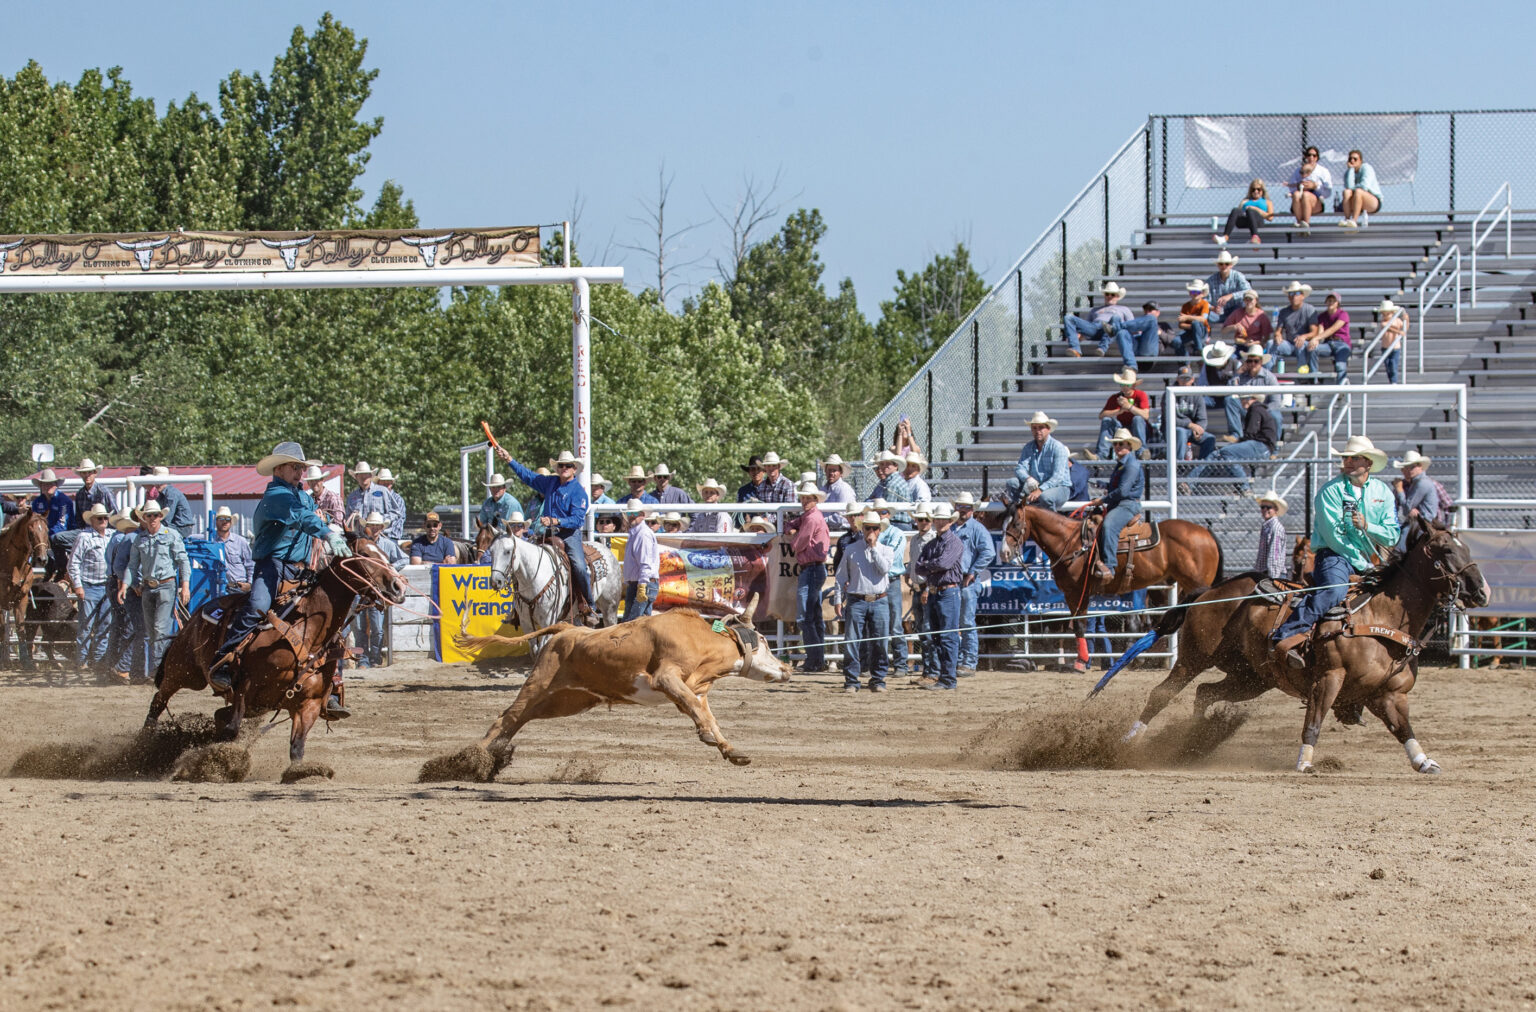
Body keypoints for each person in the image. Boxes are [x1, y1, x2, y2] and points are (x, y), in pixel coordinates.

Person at [209, 442, 351, 703]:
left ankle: (329, 680)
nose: (300, 472)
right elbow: (302, 518)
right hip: (271, 566)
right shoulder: (276, 496)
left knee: (325, 613)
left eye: (301, 468)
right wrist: (327, 532)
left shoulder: (303, 497)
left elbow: (312, 516)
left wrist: (332, 525)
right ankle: (224, 661)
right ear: (279, 468)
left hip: (299, 569)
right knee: (258, 606)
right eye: (295, 467)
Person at [1272, 435, 1400, 668]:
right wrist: (1364, 565)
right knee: (1333, 591)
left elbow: (1392, 534)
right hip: (1334, 556)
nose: (1348, 462)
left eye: (1354, 458)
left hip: (1370, 558)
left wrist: (1369, 526)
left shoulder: (1383, 492)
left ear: (1368, 463)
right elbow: (1334, 537)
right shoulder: (1330, 491)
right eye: (1345, 458)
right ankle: (1287, 635)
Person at [494, 446, 594, 619]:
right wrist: (509, 459)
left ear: (574, 469)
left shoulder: (578, 492)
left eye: (568, 466)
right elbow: (528, 476)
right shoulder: (551, 482)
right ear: (557, 468)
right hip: (547, 533)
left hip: (568, 535)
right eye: (561, 465)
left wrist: (556, 521)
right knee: (522, 560)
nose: (564, 468)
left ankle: (587, 604)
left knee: (579, 567)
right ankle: (518, 606)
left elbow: (577, 520)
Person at [120, 500, 192, 680]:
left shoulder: (171, 535)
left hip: (166, 585)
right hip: (148, 587)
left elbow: (183, 561)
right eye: (149, 515)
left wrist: (185, 586)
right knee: (152, 632)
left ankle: (159, 670)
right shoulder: (140, 539)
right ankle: (158, 669)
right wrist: (125, 585)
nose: (152, 518)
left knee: (160, 629)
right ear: (144, 518)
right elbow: (132, 565)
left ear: (161, 516)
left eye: (156, 515)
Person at [836, 509, 895, 693]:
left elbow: (884, 569)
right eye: (868, 528)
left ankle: (878, 679)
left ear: (880, 530)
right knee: (852, 641)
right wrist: (839, 599)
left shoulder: (887, 550)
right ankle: (852, 681)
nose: (871, 531)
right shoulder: (851, 550)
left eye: (874, 528)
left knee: (880, 642)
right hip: (857, 599)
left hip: (880, 599)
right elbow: (840, 577)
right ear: (862, 529)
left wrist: (874, 548)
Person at [914, 502, 963, 690]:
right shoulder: (933, 543)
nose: (940, 522)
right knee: (937, 637)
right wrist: (931, 565)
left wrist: (928, 565)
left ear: (950, 522)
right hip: (936, 592)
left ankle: (948, 678)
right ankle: (945, 676)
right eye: (938, 519)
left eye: (943, 519)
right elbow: (919, 566)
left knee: (947, 637)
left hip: (947, 592)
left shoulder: (954, 542)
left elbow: (943, 563)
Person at [1085, 429, 1144, 583]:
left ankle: (1110, 566)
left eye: (1121, 444)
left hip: (1128, 505)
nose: (1117, 447)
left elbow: (1123, 491)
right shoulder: (1123, 464)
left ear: (1129, 446)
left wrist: (1102, 500)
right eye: (1116, 444)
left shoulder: (1130, 465)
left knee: (1109, 526)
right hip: (1122, 503)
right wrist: (1103, 484)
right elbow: (1119, 487)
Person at [1188, 393, 1277, 493]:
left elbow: (1251, 433)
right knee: (1216, 454)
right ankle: (1189, 484)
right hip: (1260, 445)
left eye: (1244, 398)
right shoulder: (1258, 410)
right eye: (1242, 399)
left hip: (1261, 445)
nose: (1242, 401)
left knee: (1225, 452)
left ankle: (1244, 486)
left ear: (1252, 399)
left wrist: (1236, 441)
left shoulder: (1256, 409)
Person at [785, 481, 830, 673]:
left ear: (815, 500)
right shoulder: (810, 517)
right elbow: (794, 526)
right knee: (814, 616)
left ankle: (814, 660)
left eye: (807, 498)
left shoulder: (811, 519)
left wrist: (793, 535)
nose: (804, 501)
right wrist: (793, 528)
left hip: (810, 569)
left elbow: (799, 543)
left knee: (806, 617)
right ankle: (818, 659)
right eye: (803, 498)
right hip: (813, 568)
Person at [353, 510, 407, 667]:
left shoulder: (388, 544)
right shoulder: (360, 544)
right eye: (372, 526)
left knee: (377, 626)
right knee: (359, 626)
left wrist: (389, 569)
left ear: (382, 528)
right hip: (361, 589)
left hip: (378, 591)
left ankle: (375, 658)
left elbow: (404, 558)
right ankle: (363, 659)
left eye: (377, 526)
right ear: (366, 527)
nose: (375, 529)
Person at [67, 503, 115, 677]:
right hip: (89, 586)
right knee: (86, 625)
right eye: (100, 518)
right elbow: (73, 563)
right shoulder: (84, 537)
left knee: (105, 625)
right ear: (92, 520)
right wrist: (78, 585)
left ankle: (99, 660)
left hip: (107, 585)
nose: (103, 521)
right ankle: (82, 661)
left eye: (105, 518)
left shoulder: (112, 535)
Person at [951, 492, 995, 677]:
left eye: (967, 507)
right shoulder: (950, 527)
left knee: (966, 621)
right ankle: (957, 660)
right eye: (960, 506)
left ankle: (968, 662)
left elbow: (989, 552)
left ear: (972, 510)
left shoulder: (977, 529)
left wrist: (973, 572)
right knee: (954, 622)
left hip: (966, 581)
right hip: (951, 581)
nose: (963, 510)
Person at [104, 510, 143, 684]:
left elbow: (113, 564)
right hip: (124, 584)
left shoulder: (116, 538)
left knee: (119, 626)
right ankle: (122, 666)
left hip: (117, 583)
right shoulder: (128, 539)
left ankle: (114, 664)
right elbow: (120, 567)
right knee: (129, 627)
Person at [872, 498, 909, 680]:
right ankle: (881, 664)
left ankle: (900, 664)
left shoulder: (896, 533)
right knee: (879, 625)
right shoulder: (873, 533)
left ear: (889, 515)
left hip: (890, 580)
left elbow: (891, 560)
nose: (880, 515)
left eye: (883, 512)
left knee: (894, 624)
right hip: (877, 581)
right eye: (877, 512)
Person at [1007, 411, 1072, 509]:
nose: (1037, 431)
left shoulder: (1058, 447)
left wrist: (1040, 490)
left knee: (1046, 497)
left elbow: (1058, 477)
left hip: (1060, 488)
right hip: (1038, 486)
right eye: (1034, 428)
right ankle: (1023, 512)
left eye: (1041, 427)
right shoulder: (1028, 447)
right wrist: (1028, 479)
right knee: (1011, 483)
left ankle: (1049, 523)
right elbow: (1020, 468)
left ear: (1048, 429)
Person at [1061, 281, 1135, 359]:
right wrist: (1079, 334)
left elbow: (1132, 325)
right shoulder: (1095, 310)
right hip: (1095, 328)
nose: (1109, 296)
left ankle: (1102, 348)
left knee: (1115, 318)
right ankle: (1075, 349)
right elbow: (1087, 325)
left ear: (1117, 296)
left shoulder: (1124, 309)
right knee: (1068, 317)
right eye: (1107, 294)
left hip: (1112, 329)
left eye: (1112, 294)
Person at [905, 505, 938, 681]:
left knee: (928, 631)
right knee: (923, 631)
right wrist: (908, 572)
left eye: (926, 519)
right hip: (918, 588)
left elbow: (933, 568)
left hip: (926, 588)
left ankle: (932, 670)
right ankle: (929, 670)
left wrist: (926, 588)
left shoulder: (932, 540)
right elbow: (914, 561)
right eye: (920, 519)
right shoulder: (916, 540)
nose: (923, 522)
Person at [1226, 346, 1283, 438]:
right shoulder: (1240, 376)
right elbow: (1229, 391)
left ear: (1261, 362)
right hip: (1245, 410)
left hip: (1263, 411)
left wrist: (1260, 410)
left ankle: (1274, 448)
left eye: (1255, 361)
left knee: (1276, 416)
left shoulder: (1269, 377)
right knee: (1229, 400)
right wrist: (1237, 373)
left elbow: (1276, 402)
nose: (1252, 364)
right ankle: (1236, 435)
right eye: (1249, 361)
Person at [1094, 369, 1151, 460]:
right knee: (1107, 420)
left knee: (1138, 419)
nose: (1124, 387)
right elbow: (1101, 415)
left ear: (1133, 385)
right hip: (1122, 429)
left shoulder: (1141, 395)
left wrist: (1130, 407)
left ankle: (1141, 452)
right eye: (1122, 385)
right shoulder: (1115, 397)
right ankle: (1101, 455)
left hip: (1138, 429)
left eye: (1127, 385)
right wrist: (1120, 411)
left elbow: (1146, 415)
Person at [619, 500, 660, 623]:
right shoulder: (638, 533)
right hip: (641, 583)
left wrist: (642, 584)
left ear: (642, 514)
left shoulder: (642, 534)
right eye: (629, 513)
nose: (631, 516)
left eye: (634, 513)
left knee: (631, 624)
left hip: (642, 583)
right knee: (639, 625)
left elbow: (645, 563)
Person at [1392, 450, 1441, 549]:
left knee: (1399, 548)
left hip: (1422, 524)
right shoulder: (1419, 482)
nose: (1409, 470)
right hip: (1421, 522)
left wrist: (1399, 490)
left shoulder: (1421, 483)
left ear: (1420, 467)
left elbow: (1406, 509)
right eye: (1406, 467)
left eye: (1412, 466)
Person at [1165, 366, 1215, 461]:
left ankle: (1202, 468)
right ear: (1177, 379)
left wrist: (1199, 430)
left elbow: (1202, 418)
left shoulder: (1197, 395)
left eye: (1187, 378)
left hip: (1192, 431)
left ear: (1192, 379)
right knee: (1180, 432)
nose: (1184, 382)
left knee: (1210, 438)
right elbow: (1169, 419)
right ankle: (1178, 467)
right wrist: (1191, 425)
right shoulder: (1168, 394)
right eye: (1182, 378)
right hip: (1173, 430)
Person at [30, 468, 74, 577]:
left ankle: (61, 570)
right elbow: (34, 520)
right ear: (40, 486)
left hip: (64, 533)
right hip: (45, 534)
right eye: (44, 484)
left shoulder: (63, 501)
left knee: (56, 538)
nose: (47, 486)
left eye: (50, 484)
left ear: (55, 485)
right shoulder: (37, 502)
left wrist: (45, 535)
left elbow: (63, 524)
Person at [1214, 178, 1275, 246]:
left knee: (1250, 210)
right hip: (1245, 221)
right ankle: (1225, 237)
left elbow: (1270, 218)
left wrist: (1255, 209)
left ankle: (1255, 237)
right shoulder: (1246, 201)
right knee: (1235, 210)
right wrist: (1242, 204)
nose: (1256, 191)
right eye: (1253, 189)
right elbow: (1239, 212)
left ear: (1262, 190)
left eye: (1258, 189)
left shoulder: (1267, 201)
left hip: (1258, 222)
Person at [1105, 301, 1163, 371]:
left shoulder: (1163, 325)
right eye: (1145, 309)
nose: (1147, 312)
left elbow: (1173, 340)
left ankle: (1115, 328)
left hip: (1148, 352)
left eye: (1150, 310)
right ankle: (1131, 365)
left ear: (1158, 312)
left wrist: (1161, 333)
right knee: (1122, 332)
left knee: (1152, 319)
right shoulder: (1139, 322)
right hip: (1134, 350)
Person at [1308, 292, 1353, 382]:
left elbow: (1333, 329)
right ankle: (1314, 380)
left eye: (1333, 301)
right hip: (1328, 344)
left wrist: (1316, 338)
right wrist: (1316, 340)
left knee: (1340, 366)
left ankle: (1341, 389)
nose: (1331, 303)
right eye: (1329, 300)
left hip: (1342, 343)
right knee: (1313, 348)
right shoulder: (1322, 316)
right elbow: (1321, 330)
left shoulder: (1343, 314)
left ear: (1337, 303)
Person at [1272, 281, 1319, 367]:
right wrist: (1277, 335)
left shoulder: (1310, 310)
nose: (1294, 296)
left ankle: (1303, 376)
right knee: (1270, 344)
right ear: (1288, 297)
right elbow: (1278, 331)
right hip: (1289, 344)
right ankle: (1267, 374)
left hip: (1305, 344)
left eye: (1297, 293)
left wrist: (1304, 337)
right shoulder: (1283, 312)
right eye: (1291, 293)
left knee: (1300, 344)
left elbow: (1314, 332)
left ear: (1302, 296)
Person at [1286, 145, 1333, 230]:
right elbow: (1291, 187)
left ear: (1317, 157)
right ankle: (1300, 223)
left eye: (1314, 155)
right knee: (1296, 194)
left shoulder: (1323, 171)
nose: (1311, 157)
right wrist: (1299, 185)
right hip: (1299, 202)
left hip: (1315, 202)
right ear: (1305, 156)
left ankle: (1306, 224)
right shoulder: (1299, 171)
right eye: (1309, 155)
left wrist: (1315, 186)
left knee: (1306, 195)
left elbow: (1328, 191)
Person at [142, 467, 197, 538]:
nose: (157, 485)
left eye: (159, 482)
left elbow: (167, 518)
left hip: (182, 528)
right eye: (155, 482)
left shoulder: (171, 493)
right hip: (174, 526)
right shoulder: (162, 494)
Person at [212, 506, 253, 593]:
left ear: (231, 522)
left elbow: (250, 565)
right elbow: (191, 538)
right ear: (216, 521)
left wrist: (250, 584)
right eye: (221, 519)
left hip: (239, 587)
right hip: (216, 587)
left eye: (227, 519)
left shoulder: (241, 541)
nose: (224, 522)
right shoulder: (210, 540)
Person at [1339, 149, 1382, 228]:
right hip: (1356, 201)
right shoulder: (1348, 172)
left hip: (1372, 201)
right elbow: (1349, 187)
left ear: (1360, 161)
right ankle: (1347, 220)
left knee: (1359, 191)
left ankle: (1354, 220)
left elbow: (1364, 186)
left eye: (1355, 159)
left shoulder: (1367, 168)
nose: (1352, 161)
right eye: (1350, 159)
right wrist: (1351, 170)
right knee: (1346, 192)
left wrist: (1353, 188)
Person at [1205, 250, 1251, 323]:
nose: (1224, 266)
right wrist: (1213, 308)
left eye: (1226, 264)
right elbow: (1204, 300)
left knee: (1240, 309)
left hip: (1236, 310)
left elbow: (1248, 292)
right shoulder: (1211, 280)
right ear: (1218, 265)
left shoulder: (1238, 276)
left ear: (1231, 265)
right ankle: (1206, 334)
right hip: (1218, 313)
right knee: (1204, 315)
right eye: (1221, 264)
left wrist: (1231, 296)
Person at [1254, 491, 1290, 580]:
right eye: (1263, 507)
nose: (1265, 510)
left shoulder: (1275, 528)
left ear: (1276, 510)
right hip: (1266, 573)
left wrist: (1273, 580)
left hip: (1273, 575)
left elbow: (1274, 557)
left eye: (1269, 507)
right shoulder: (1267, 527)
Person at [345, 461, 391, 530]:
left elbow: (394, 512)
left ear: (370, 476)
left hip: (380, 534)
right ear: (356, 477)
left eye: (366, 474)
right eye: (360, 474)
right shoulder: (351, 497)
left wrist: (381, 521)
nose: (363, 477)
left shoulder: (383, 491)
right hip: (360, 536)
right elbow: (347, 518)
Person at [1375, 299, 1408, 384]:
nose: (1385, 316)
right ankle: (1391, 380)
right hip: (1385, 347)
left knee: (1393, 364)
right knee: (1387, 364)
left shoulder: (1397, 320)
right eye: (1383, 314)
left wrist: (1407, 320)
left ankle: (1394, 381)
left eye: (1387, 314)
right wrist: (1398, 331)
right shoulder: (1383, 322)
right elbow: (1388, 328)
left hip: (1395, 347)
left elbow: (1404, 328)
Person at [820, 454, 857, 530]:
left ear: (840, 473)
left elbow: (841, 516)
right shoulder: (823, 489)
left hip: (842, 530)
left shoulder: (844, 489)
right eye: (829, 470)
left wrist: (820, 521)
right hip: (827, 529)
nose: (831, 473)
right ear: (825, 471)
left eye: (834, 470)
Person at [1176, 280, 1212, 356]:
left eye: (1198, 292)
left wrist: (1187, 317)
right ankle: (1185, 364)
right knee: (1176, 341)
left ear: (1202, 293)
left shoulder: (1205, 304)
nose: (1195, 294)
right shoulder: (1185, 306)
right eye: (1193, 292)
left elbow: (1203, 319)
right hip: (1190, 331)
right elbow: (1180, 324)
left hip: (1203, 331)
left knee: (1196, 323)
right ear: (1190, 293)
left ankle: (1199, 349)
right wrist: (1193, 327)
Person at [374, 468, 406, 540]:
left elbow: (397, 520)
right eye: (383, 481)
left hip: (392, 537)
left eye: (388, 481)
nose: (386, 483)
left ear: (392, 483)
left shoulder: (398, 499)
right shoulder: (374, 498)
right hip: (375, 536)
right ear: (378, 483)